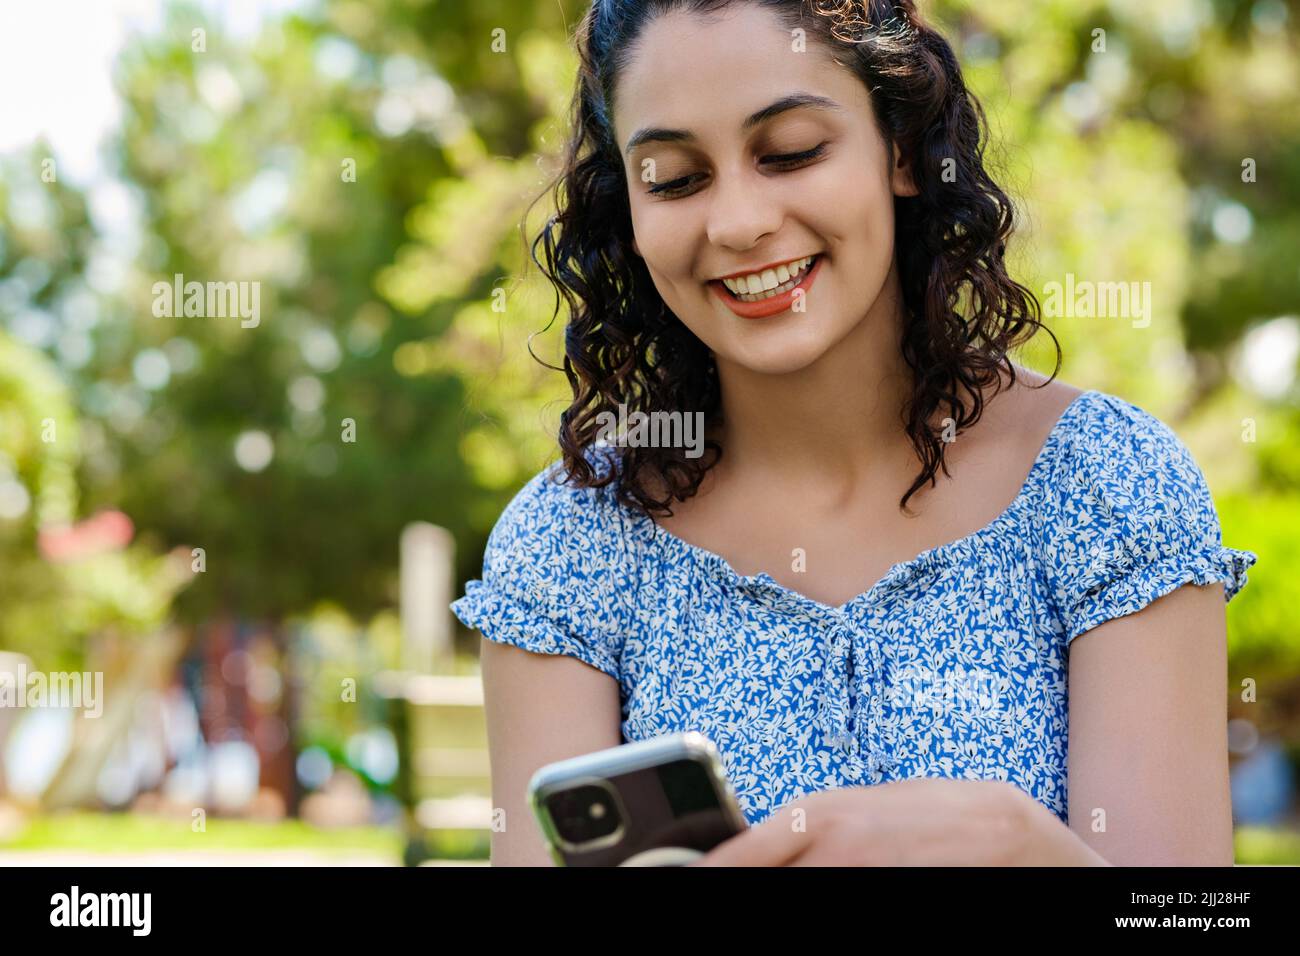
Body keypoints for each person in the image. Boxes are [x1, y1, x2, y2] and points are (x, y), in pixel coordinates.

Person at [451, 0, 1257, 866]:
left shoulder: (1106, 482)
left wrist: (1022, 847)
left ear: (902, 151)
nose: (738, 224)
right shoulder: (572, 541)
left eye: (791, 152)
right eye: (676, 178)